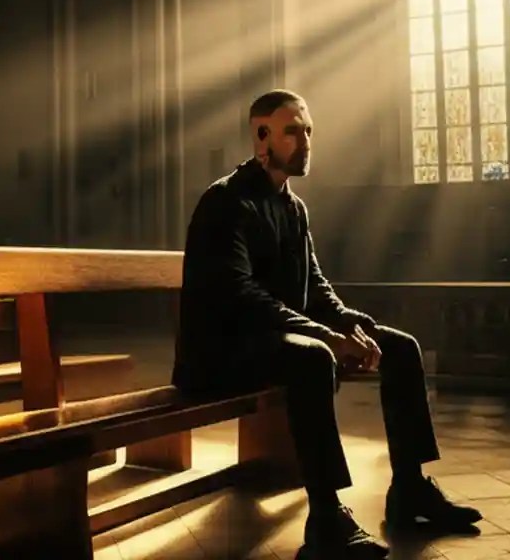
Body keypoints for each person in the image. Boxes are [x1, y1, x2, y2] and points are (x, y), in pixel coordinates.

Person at [173, 89, 481, 558]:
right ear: (261, 137)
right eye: (292, 131)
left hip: (275, 343)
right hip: (220, 355)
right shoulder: (225, 202)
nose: (306, 141)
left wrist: (349, 323)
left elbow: (315, 287)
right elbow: (240, 296)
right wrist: (325, 337)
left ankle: (410, 489)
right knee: (314, 358)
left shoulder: (294, 208)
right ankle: (325, 518)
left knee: (399, 346)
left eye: (309, 131)